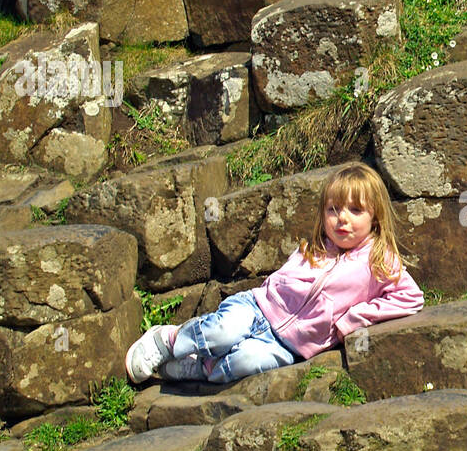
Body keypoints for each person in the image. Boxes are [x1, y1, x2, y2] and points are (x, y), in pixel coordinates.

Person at [125, 162, 424, 385]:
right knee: (222, 332)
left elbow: (411, 297)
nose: (341, 219)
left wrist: (354, 318)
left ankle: (199, 367)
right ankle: (169, 340)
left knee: (247, 362)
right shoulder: (316, 246)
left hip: (289, 345)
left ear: (375, 219)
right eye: (333, 209)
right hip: (258, 308)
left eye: (355, 211)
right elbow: (280, 284)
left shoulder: (379, 260)